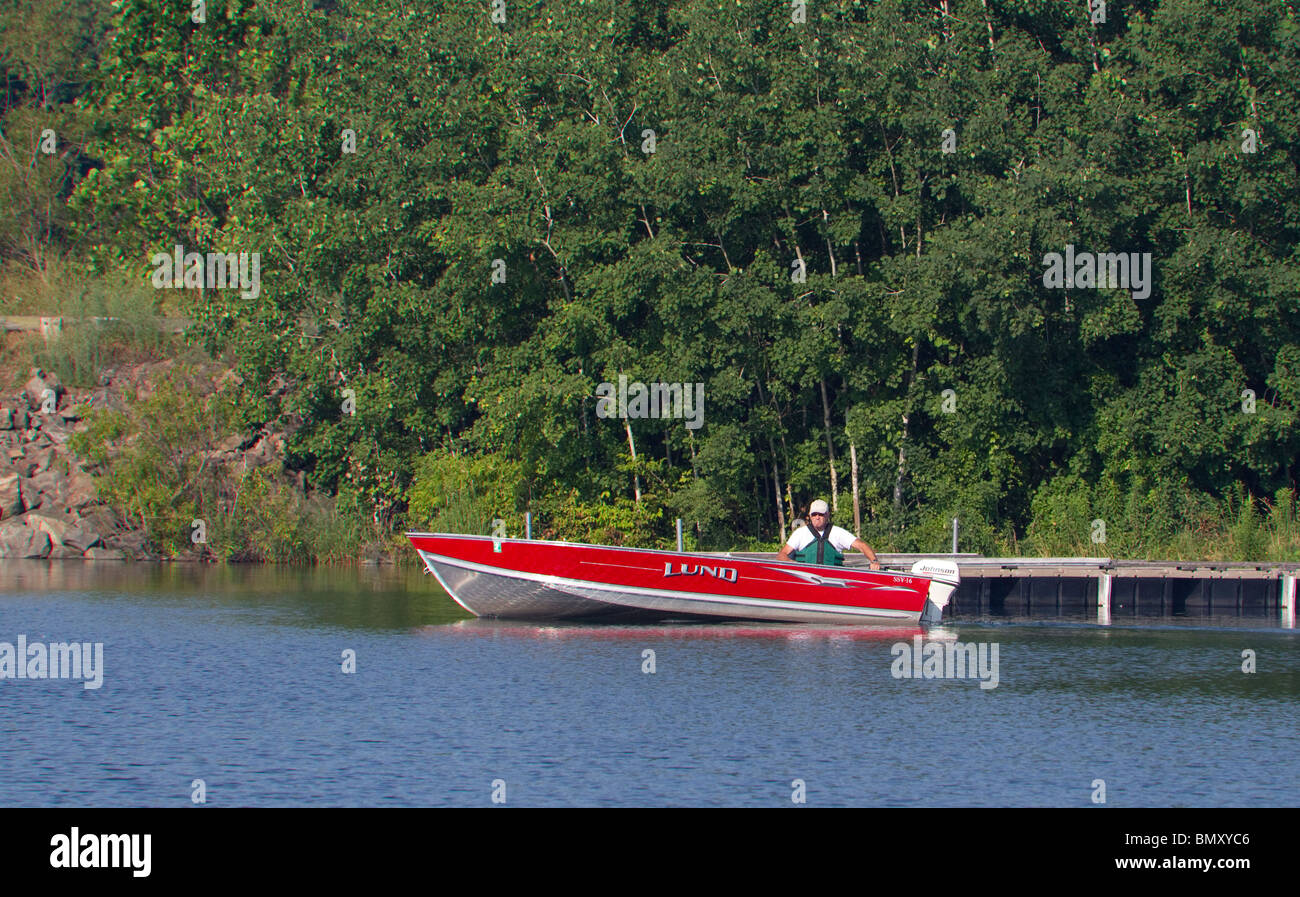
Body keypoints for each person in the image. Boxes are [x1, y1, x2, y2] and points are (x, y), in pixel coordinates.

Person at [777, 500, 881, 569]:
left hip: (832, 581)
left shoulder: (837, 533)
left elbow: (861, 545)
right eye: (814, 514)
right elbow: (782, 554)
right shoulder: (800, 533)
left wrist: (874, 561)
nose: (817, 517)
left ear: (827, 515)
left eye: (821, 514)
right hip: (805, 579)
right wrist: (793, 564)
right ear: (810, 515)